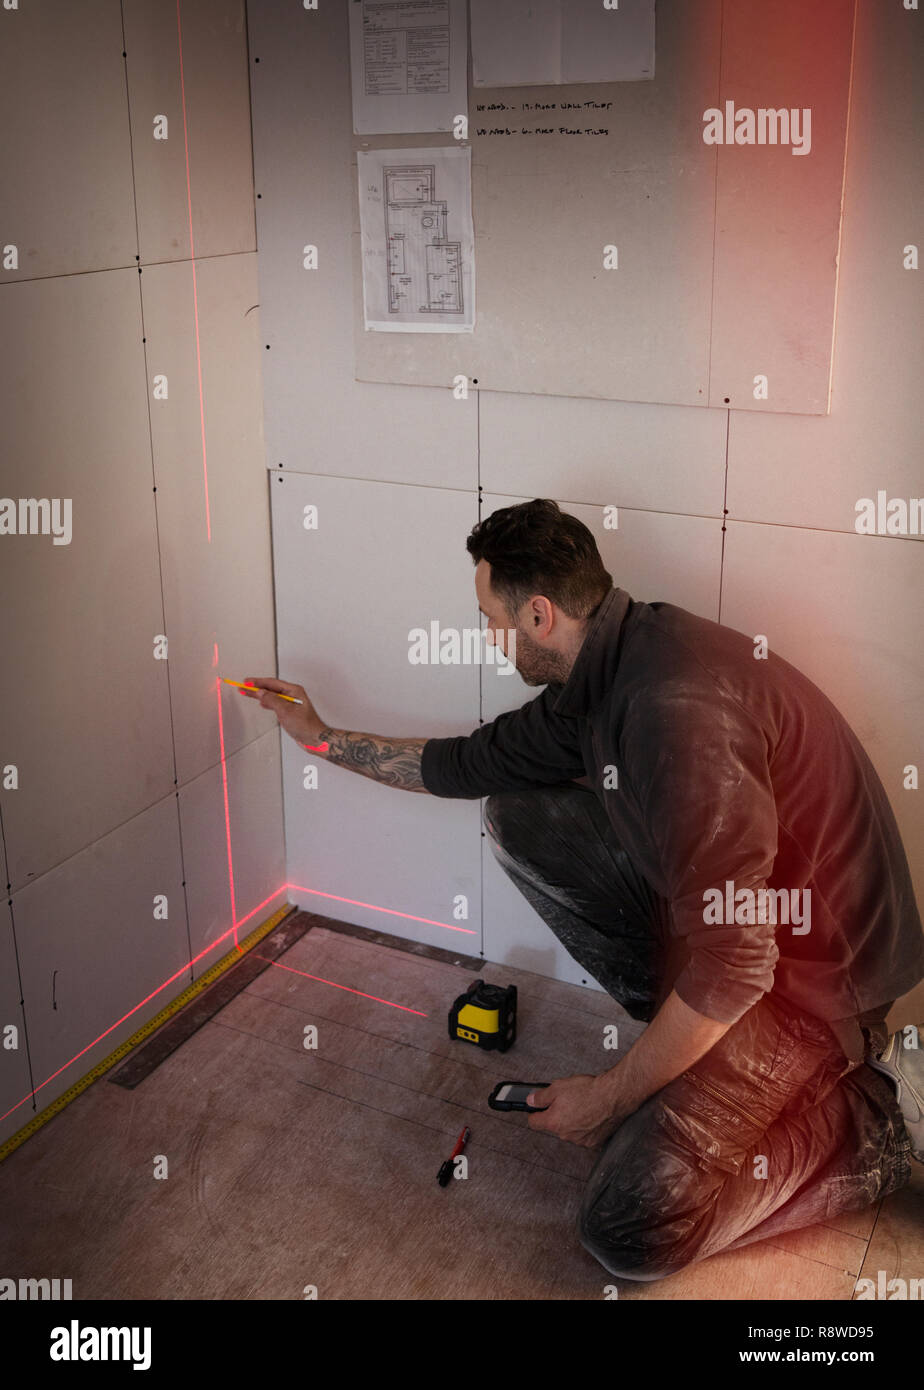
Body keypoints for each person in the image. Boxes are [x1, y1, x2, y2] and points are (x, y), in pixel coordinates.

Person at [239, 498, 924, 1281]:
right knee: (522, 815)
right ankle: (694, 1047)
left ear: (537, 614)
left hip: (818, 989)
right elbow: (467, 764)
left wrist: (610, 1094)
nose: (487, 637)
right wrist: (320, 735)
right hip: (745, 946)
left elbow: (738, 965)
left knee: (628, 1228)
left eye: (489, 619)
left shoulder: (675, 711)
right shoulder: (602, 673)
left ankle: (881, 1116)